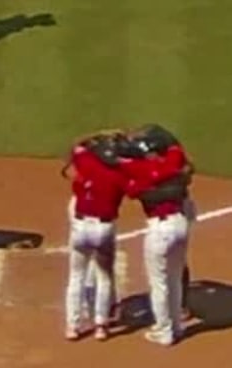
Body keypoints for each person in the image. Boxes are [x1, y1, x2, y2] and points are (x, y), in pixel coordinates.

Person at [119, 125, 195, 345]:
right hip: (180, 225)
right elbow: (176, 150)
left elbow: (127, 178)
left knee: (159, 283)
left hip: (160, 230)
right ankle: (176, 326)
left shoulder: (138, 172)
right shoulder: (172, 164)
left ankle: (163, 331)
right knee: (174, 280)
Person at [61, 131, 130, 341]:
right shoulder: (120, 174)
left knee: (76, 277)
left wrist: (100, 133)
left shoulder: (86, 162)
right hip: (103, 229)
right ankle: (101, 325)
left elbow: (76, 145)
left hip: (80, 227)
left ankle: (72, 326)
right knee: (104, 277)